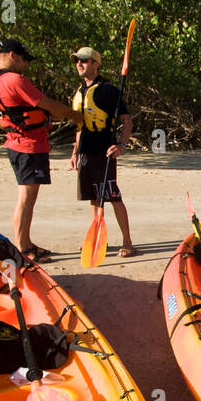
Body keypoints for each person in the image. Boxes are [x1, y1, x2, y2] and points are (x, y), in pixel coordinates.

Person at [0, 38, 81, 262]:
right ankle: (23, 248)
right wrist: (76, 116)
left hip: (16, 143)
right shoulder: (14, 80)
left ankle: (25, 243)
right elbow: (50, 105)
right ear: (12, 55)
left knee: (27, 197)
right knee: (26, 198)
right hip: (28, 146)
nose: (26, 64)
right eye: (24, 59)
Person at [68, 45, 136, 256]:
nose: (79, 64)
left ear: (95, 64)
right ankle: (98, 238)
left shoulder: (109, 91)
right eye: (77, 61)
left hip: (104, 152)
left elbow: (127, 121)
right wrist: (75, 151)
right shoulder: (80, 91)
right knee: (94, 197)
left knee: (113, 196)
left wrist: (121, 145)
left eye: (84, 60)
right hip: (85, 152)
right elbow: (80, 126)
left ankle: (127, 241)